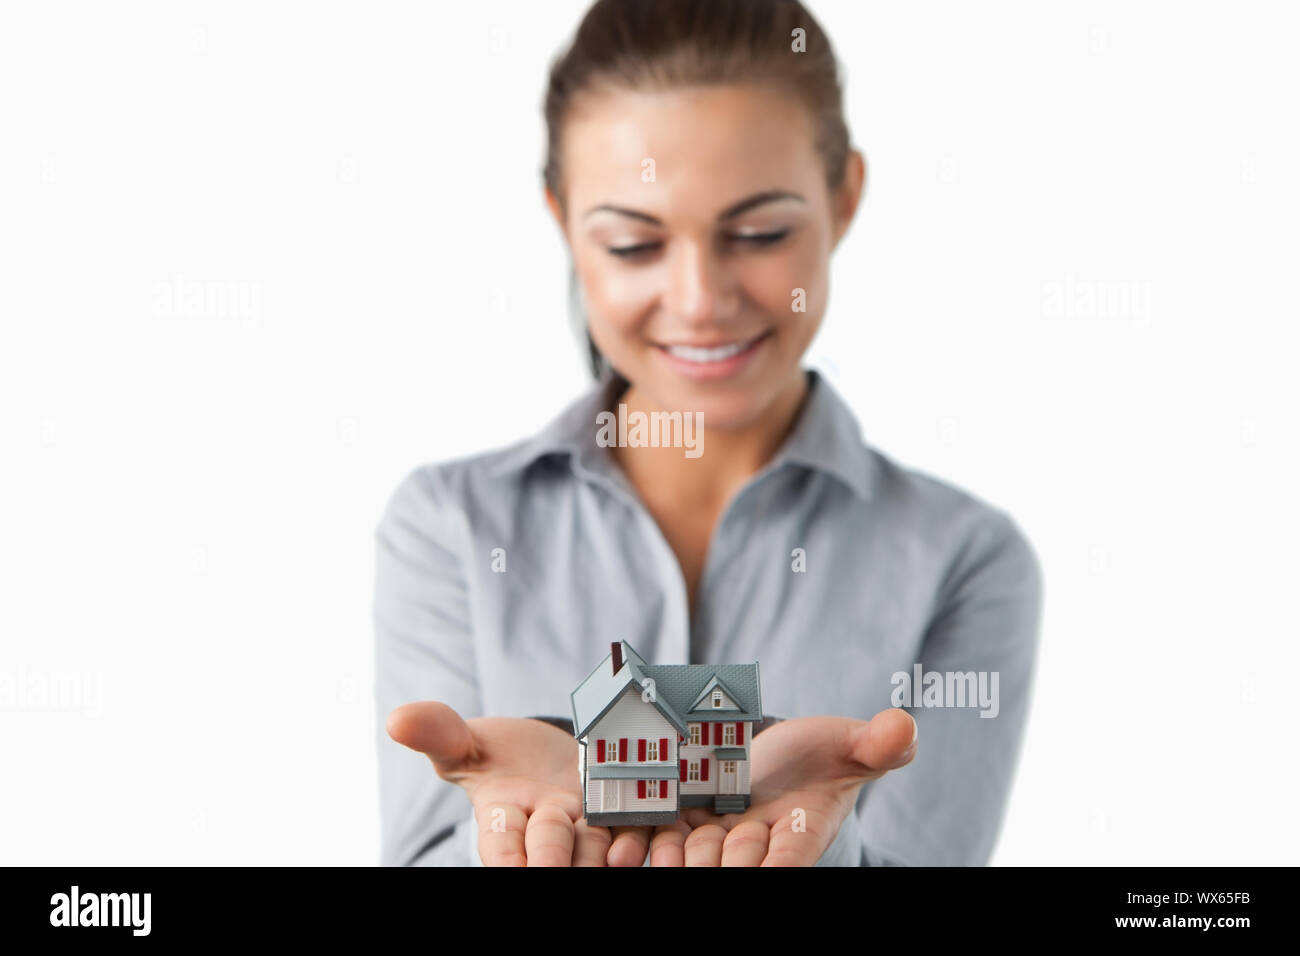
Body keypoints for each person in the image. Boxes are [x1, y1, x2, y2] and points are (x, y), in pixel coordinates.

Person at [375, 0, 1042, 866]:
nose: (698, 301)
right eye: (631, 244)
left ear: (844, 199)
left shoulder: (965, 557)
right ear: (563, 221)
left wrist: (822, 850)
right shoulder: (448, 525)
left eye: (760, 233)